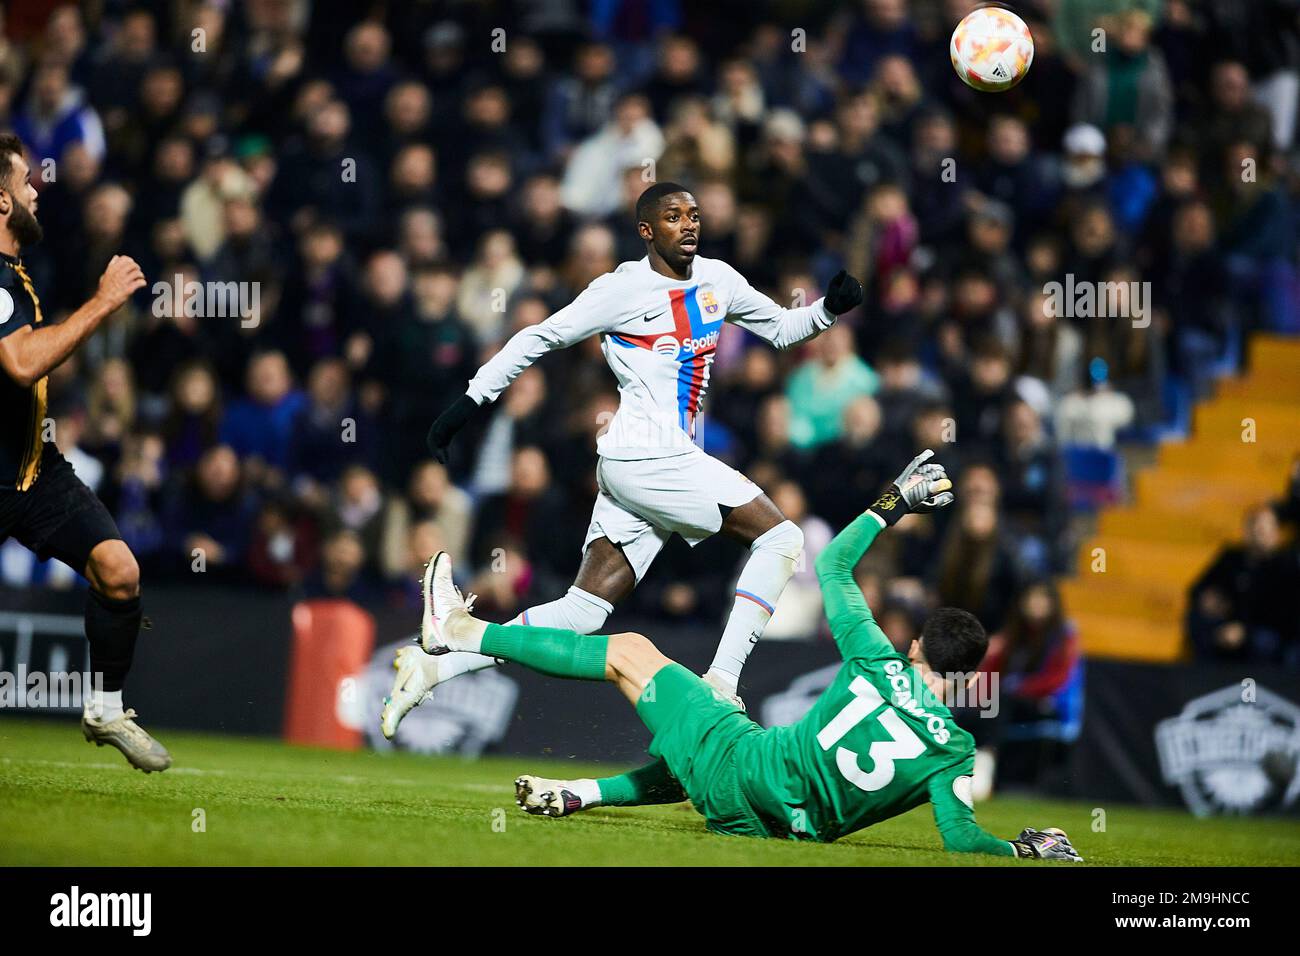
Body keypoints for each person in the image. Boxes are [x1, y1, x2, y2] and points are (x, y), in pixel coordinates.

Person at [417, 450, 1080, 859]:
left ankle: (460, 632)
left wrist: (893, 502)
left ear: (914, 645)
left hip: (744, 770)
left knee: (628, 648)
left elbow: (836, 567)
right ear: (966, 678)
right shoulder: (954, 749)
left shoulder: (878, 660)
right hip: (765, 829)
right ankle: (581, 795)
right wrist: (1021, 850)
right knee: (696, 745)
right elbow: (962, 839)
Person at [381, 182, 864, 735]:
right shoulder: (620, 289)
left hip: (649, 462)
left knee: (582, 612)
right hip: (645, 452)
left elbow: (780, 328)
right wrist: (471, 400)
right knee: (781, 539)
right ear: (646, 230)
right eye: (673, 216)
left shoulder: (719, 280)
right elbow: (541, 336)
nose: (688, 224)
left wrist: (828, 309)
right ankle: (722, 684)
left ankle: (439, 660)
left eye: (694, 215)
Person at [0, 133, 169, 771]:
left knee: (119, 571)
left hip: (36, 471)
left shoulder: (14, 274)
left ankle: (103, 706)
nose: (35, 188)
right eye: (23, 182)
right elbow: (19, 364)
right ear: (0, 201)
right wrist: (102, 302)